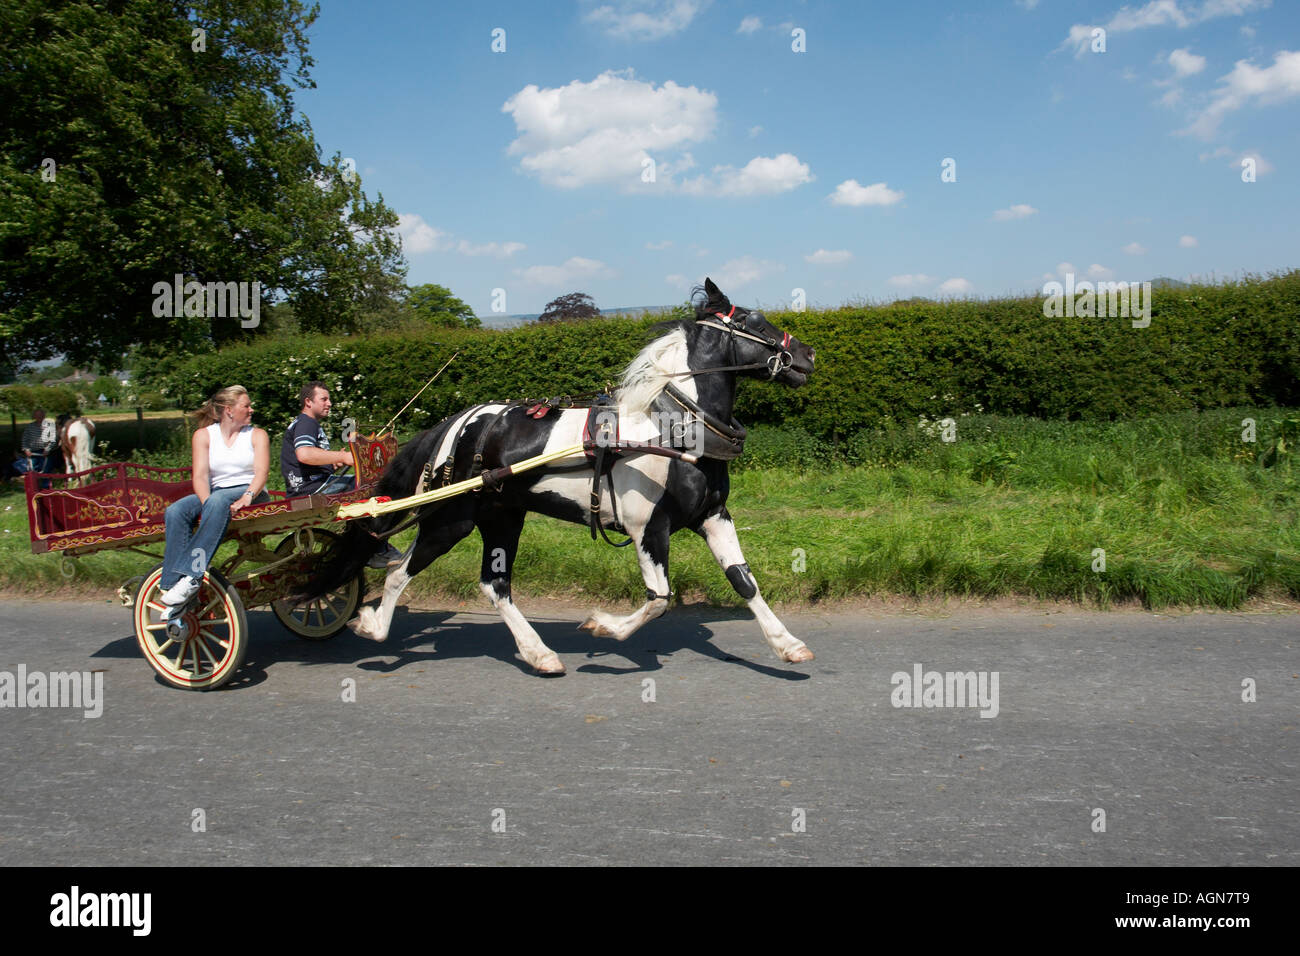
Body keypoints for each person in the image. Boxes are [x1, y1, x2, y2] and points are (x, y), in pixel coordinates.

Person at [158, 385, 270, 616]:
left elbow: (261, 474)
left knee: (217, 501)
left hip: (252, 491)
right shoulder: (203, 436)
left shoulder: (257, 435)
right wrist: (208, 503)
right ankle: (170, 585)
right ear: (229, 410)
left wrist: (247, 496)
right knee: (176, 511)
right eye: (246, 406)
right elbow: (199, 476)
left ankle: (192, 575)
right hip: (216, 492)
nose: (251, 409)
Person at [280, 381, 402, 568]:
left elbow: (308, 459)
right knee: (375, 486)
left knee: (366, 486)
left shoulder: (304, 423)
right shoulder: (307, 423)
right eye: (324, 399)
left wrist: (330, 464)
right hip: (312, 489)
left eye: (329, 399)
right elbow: (304, 454)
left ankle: (361, 542)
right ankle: (375, 549)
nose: (329, 403)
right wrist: (343, 457)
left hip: (310, 485)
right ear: (308, 402)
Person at [11, 407, 58, 477]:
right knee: (32, 470)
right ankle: (34, 485)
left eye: (41, 415)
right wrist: (26, 449)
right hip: (32, 452)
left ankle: (46, 486)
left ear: (44, 416)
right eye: (37, 416)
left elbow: (53, 440)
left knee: (46, 470)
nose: (39, 417)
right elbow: (25, 439)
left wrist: (48, 449)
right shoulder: (30, 427)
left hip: (44, 452)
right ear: (34, 417)